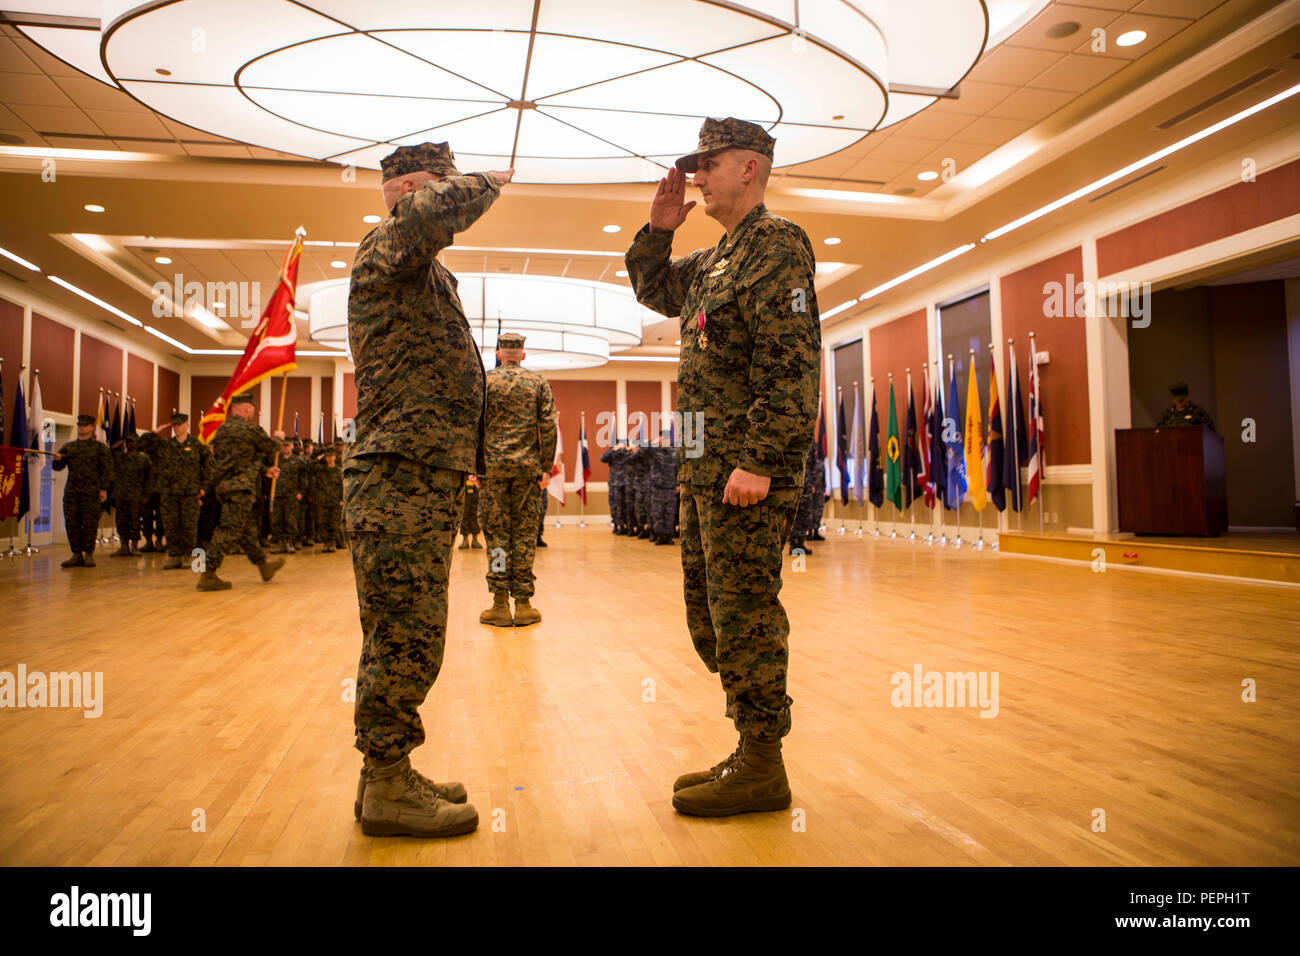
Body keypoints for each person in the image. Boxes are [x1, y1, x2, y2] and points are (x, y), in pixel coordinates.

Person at [625, 117, 821, 817]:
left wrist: (761, 462)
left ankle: (764, 764)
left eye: (708, 165)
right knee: (712, 619)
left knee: (745, 618)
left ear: (750, 167)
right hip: (708, 475)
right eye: (695, 166)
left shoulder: (775, 245)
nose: (697, 177)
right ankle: (748, 747)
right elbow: (651, 288)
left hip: (745, 477)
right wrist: (658, 228)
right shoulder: (716, 261)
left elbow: (793, 365)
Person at [346, 140, 512, 838]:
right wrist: (488, 178)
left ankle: (384, 773)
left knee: (407, 630)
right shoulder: (389, 244)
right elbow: (435, 210)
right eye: (433, 187)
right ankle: (387, 780)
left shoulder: (417, 266)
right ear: (413, 187)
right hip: (399, 473)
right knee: (406, 634)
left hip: (419, 471)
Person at [479, 331, 557, 628]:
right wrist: (546, 466)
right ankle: (523, 604)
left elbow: (474, 425)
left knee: (497, 538)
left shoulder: (485, 382)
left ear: (499, 354)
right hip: (527, 472)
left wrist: (474, 467)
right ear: (522, 354)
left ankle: (499, 602)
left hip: (493, 472)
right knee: (524, 537)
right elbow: (548, 425)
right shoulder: (537, 382)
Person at [196, 393, 285, 590]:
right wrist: (278, 439)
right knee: (229, 529)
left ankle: (263, 566)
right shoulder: (250, 429)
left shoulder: (222, 431)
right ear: (244, 410)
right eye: (251, 411)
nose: (252, 414)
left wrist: (265, 470)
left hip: (226, 487)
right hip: (240, 488)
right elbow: (268, 447)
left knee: (246, 530)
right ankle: (208, 573)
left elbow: (238, 459)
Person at [52, 413, 113, 568]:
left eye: (85, 425)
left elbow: (107, 469)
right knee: (72, 523)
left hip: (91, 492)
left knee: (90, 523)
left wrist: (104, 488)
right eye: (79, 425)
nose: (81, 427)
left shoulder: (100, 448)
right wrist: (57, 460)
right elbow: (58, 467)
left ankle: (89, 554)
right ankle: (76, 554)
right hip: (72, 491)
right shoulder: (70, 447)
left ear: (92, 428)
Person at [157, 412, 210, 570]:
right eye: (174, 425)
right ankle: (174, 556)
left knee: (190, 527)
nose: (176, 428)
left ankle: (190, 557)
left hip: (190, 493)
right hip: (169, 493)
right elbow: (145, 443)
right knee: (171, 526)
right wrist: (157, 431)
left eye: (179, 424)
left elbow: (209, 468)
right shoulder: (167, 445)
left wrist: (204, 488)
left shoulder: (197, 445)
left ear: (187, 425)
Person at [109, 435, 151, 556]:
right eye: (127, 442)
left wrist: (146, 495)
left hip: (136, 495)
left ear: (137, 443)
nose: (129, 444)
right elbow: (106, 455)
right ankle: (123, 545)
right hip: (121, 494)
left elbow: (149, 479)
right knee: (121, 521)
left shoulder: (143, 459)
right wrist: (115, 446)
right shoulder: (120, 457)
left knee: (135, 522)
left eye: (131, 442)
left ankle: (135, 546)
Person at [270, 436, 301, 554]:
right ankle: (280, 543)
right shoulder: (276, 460)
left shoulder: (297, 461)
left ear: (292, 446)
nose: (285, 447)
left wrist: (300, 492)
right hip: (278, 494)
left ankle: (289, 542)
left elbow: (302, 478)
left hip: (291, 495)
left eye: (287, 445)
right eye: (283, 445)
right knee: (277, 520)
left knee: (290, 520)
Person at [315, 448, 343, 553]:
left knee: (334, 523)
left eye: (331, 456)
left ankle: (332, 542)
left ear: (335, 457)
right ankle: (326, 542)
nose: (329, 458)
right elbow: (309, 468)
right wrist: (318, 459)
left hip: (335, 501)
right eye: (327, 457)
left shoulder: (339, 471)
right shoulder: (321, 470)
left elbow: (343, 487)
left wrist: (342, 499)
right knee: (322, 523)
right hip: (322, 501)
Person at [458, 473, 483, 550]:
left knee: (475, 513)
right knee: (464, 513)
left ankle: (475, 540)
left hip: (477, 484)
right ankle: (465, 540)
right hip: (465, 485)